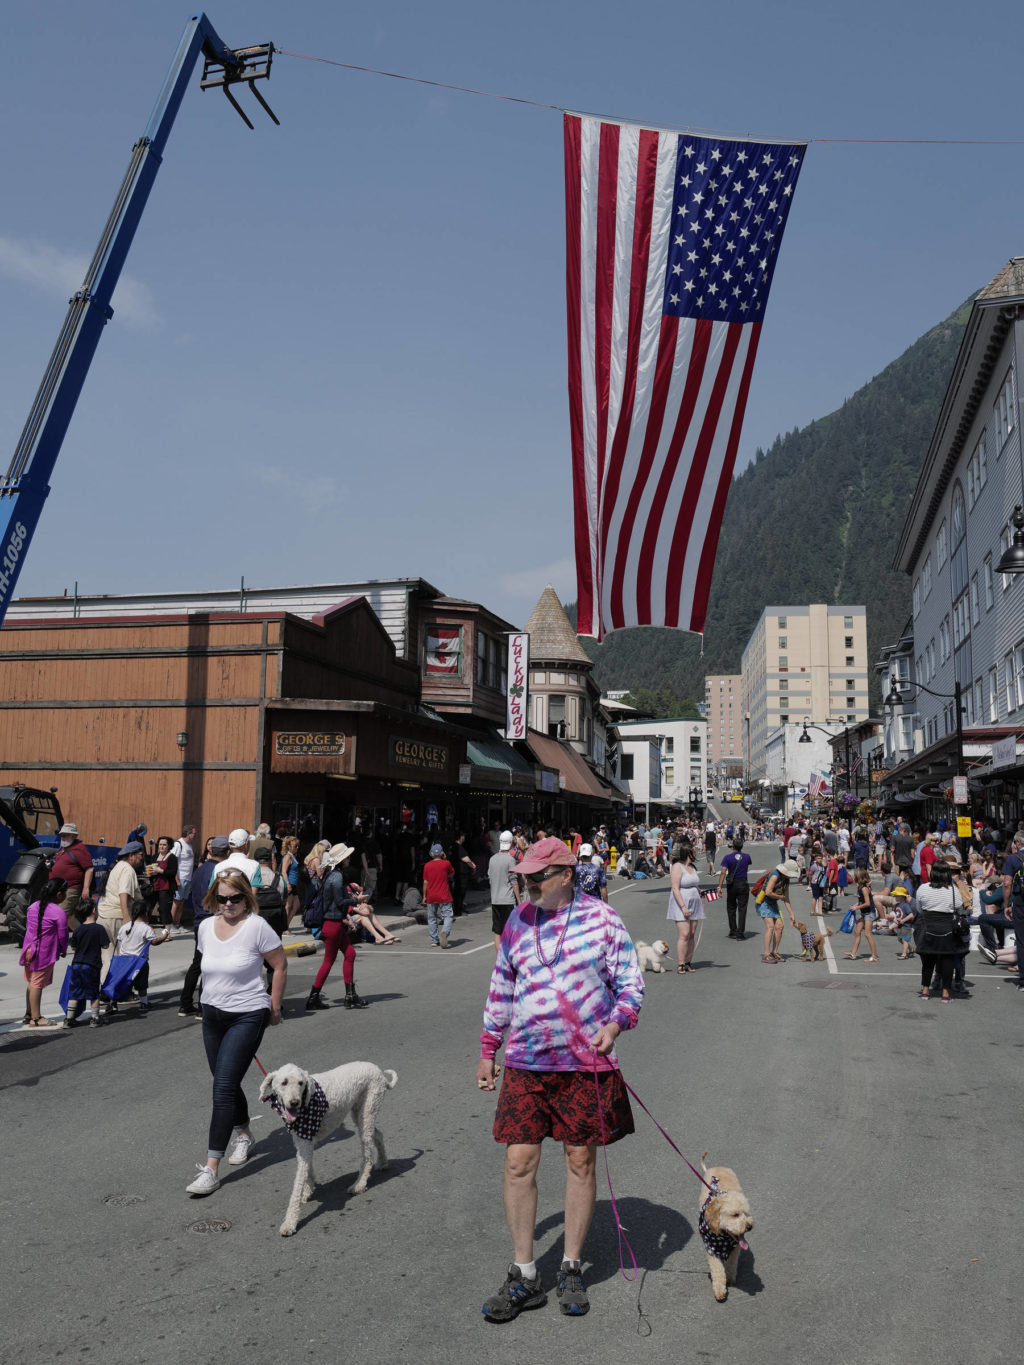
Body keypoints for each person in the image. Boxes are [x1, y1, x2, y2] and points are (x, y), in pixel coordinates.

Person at [476, 837, 644, 1322]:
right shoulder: (517, 921)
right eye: (523, 877)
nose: (525, 884)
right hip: (527, 1063)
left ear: (566, 875)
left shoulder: (603, 920)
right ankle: (525, 1273)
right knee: (518, 1163)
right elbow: (502, 985)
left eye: (536, 877)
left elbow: (631, 984)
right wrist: (489, 1048)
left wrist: (615, 1024)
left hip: (581, 1065)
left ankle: (571, 1266)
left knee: (579, 1162)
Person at [186, 870, 287, 1197]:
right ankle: (244, 1134)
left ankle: (211, 1169)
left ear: (247, 898)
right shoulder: (204, 927)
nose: (228, 904)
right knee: (224, 1083)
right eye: (222, 898)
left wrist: (274, 1006)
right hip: (212, 1014)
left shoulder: (256, 927)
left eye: (235, 898)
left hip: (248, 1013)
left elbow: (280, 965)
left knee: (223, 1087)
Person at [305, 843, 369, 1011]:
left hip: (332, 923)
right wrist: (358, 900)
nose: (348, 859)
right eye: (347, 857)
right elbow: (340, 902)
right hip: (333, 924)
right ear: (342, 860)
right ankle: (315, 997)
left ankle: (349, 995)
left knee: (350, 954)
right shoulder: (337, 877)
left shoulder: (330, 875)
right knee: (329, 961)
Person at [179, 835, 227, 1017]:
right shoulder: (219, 870)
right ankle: (201, 1006)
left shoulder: (199, 870)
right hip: (211, 920)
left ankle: (185, 1003)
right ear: (227, 852)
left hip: (199, 920)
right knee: (209, 965)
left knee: (197, 963)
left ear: (211, 850)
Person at [912, 862, 969, 1003]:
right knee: (947, 960)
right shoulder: (953, 890)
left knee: (928, 960)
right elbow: (958, 908)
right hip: (947, 929)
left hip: (928, 928)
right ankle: (945, 994)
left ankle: (925, 991)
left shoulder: (922, 888)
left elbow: (919, 909)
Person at [18, 878, 69, 1027]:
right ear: (59, 894)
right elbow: (63, 935)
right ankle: (36, 1018)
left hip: (29, 950)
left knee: (31, 982)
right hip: (43, 953)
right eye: (65, 893)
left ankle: (28, 1013)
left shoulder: (33, 906)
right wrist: (63, 949)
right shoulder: (58, 912)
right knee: (37, 984)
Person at [96, 841, 145, 978]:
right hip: (117, 917)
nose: (142, 859)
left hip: (105, 916)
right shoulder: (127, 870)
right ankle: (116, 991)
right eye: (140, 855)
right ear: (131, 856)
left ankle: (105, 990)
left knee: (108, 957)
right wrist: (126, 917)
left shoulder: (118, 866)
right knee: (121, 957)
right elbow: (123, 893)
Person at [114, 899, 172, 1013]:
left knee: (121, 983)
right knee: (142, 984)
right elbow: (154, 942)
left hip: (124, 961)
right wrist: (164, 936)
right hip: (139, 961)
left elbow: (120, 940)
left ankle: (113, 1004)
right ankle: (144, 1003)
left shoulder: (124, 927)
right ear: (146, 914)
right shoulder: (146, 928)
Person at [62, 899, 110, 1028]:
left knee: (75, 991)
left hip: (77, 964)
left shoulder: (78, 929)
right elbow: (105, 945)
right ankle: (95, 1018)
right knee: (93, 992)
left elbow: (73, 947)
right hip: (92, 965)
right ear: (94, 911)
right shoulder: (99, 929)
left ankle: (69, 1019)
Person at [667, 841, 704, 974]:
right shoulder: (677, 866)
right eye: (694, 851)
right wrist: (683, 906)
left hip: (694, 902)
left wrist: (700, 891)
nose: (696, 853)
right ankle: (681, 963)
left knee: (692, 934)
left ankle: (688, 961)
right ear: (688, 853)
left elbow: (693, 883)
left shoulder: (692, 867)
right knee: (684, 934)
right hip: (682, 902)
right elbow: (675, 888)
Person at [50, 822, 94, 929]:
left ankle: (56, 939)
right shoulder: (63, 848)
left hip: (71, 888)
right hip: (58, 888)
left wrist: (85, 888)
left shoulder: (80, 848)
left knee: (60, 915)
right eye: (62, 835)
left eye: (66, 835)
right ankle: (81, 935)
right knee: (69, 917)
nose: (63, 837)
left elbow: (89, 868)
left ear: (74, 836)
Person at [757, 859, 800, 963]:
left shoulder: (786, 880)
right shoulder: (775, 876)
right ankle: (766, 954)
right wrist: (780, 896)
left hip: (773, 903)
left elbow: (786, 898)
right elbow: (768, 892)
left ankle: (774, 952)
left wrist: (791, 914)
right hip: (764, 903)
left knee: (780, 926)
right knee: (770, 926)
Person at [489, 831, 521, 949]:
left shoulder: (492, 859)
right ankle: (508, 956)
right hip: (507, 900)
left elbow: (490, 878)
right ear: (511, 842)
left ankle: (499, 957)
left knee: (497, 931)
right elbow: (514, 882)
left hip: (495, 899)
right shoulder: (510, 860)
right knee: (509, 930)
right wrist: (519, 900)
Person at [718, 838, 752, 940]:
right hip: (743, 882)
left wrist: (719, 886)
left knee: (731, 907)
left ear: (733, 846)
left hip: (732, 884)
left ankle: (733, 930)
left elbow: (723, 872)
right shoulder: (747, 857)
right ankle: (740, 933)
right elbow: (748, 864)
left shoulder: (727, 857)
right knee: (742, 908)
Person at [423, 842, 455, 948]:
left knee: (432, 918)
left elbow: (425, 882)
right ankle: (445, 931)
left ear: (431, 853)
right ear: (442, 853)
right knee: (448, 916)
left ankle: (434, 940)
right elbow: (451, 873)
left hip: (431, 895)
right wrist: (445, 859)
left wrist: (424, 896)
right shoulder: (446, 863)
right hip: (444, 895)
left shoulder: (427, 865)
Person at [844, 870, 880, 964]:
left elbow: (867, 903)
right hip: (864, 913)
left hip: (869, 913)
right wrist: (854, 906)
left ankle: (875, 956)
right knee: (857, 931)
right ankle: (853, 953)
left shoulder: (864, 889)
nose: (854, 876)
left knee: (867, 934)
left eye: (856, 875)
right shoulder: (860, 887)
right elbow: (861, 901)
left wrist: (856, 907)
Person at [146, 835, 179, 927]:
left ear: (169, 846)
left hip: (166, 887)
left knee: (165, 909)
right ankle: (145, 929)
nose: (162, 846)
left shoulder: (172, 857)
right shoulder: (155, 856)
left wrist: (160, 871)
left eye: (164, 845)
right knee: (148, 907)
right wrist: (151, 872)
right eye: (160, 844)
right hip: (154, 886)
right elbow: (151, 868)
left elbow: (173, 872)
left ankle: (167, 932)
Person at [171, 826, 197, 930]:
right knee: (176, 902)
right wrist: (176, 879)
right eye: (194, 833)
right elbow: (173, 863)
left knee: (181, 902)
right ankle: (171, 925)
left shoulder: (189, 845)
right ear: (188, 833)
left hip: (188, 878)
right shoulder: (179, 844)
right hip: (180, 877)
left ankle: (177, 923)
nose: (195, 835)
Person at [280, 834, 301, 929]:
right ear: (289, 846)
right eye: (295, 846)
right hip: (290, 883)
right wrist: (287, 884)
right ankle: (284, 928)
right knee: (288, 906)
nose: (297, 848)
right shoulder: (287, 857)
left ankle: (286, 925)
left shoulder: (292, 856)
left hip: (294, 884)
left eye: (297, 846)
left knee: (296, 905)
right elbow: (283, 871)